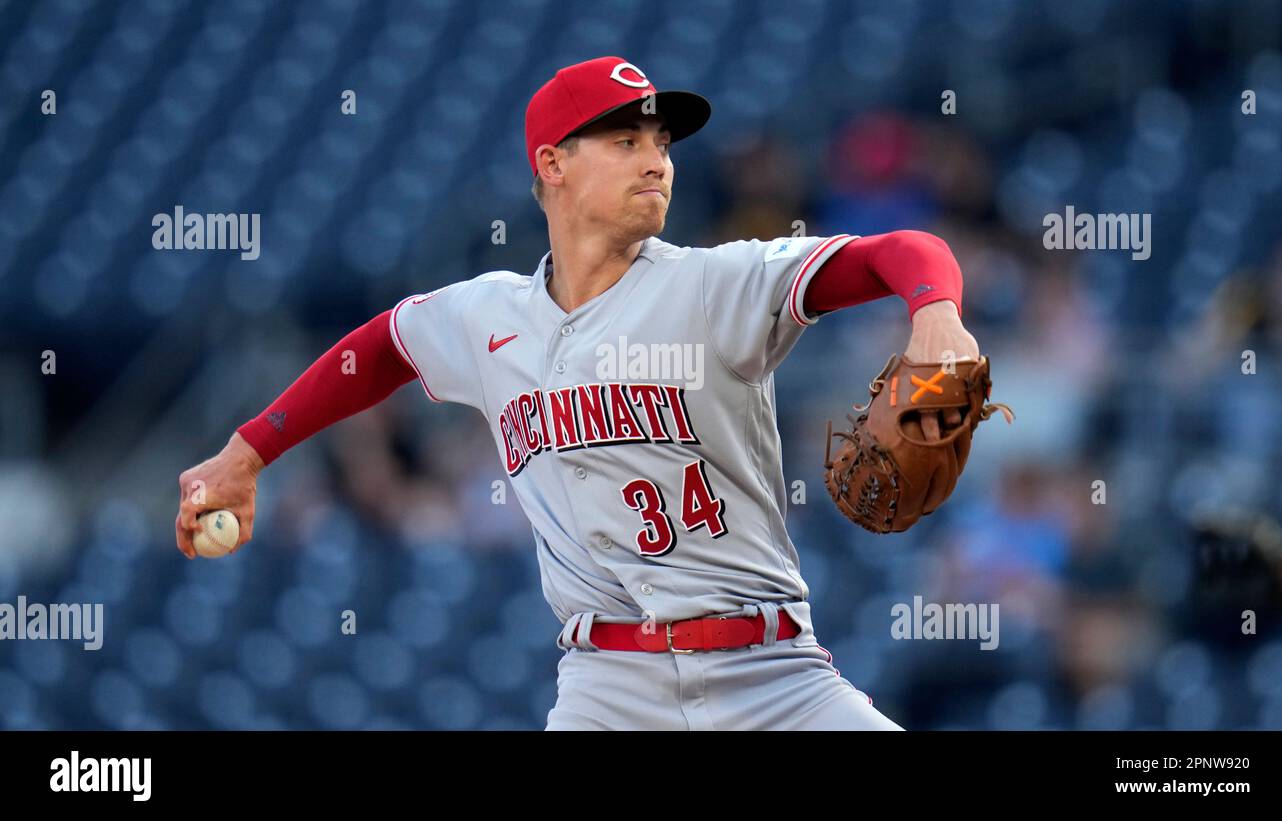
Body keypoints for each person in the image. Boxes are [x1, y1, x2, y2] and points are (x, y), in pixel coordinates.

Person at [176, 56, 980, 730]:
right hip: (607, 688)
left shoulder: (717, 284)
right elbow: (378, 347)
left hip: (773, 676)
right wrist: (247, 453)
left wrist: (936, 314)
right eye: (625, 140)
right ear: (552, 164)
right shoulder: (489, 316)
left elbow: (902, 250)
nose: (656, 159)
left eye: (661, 143)